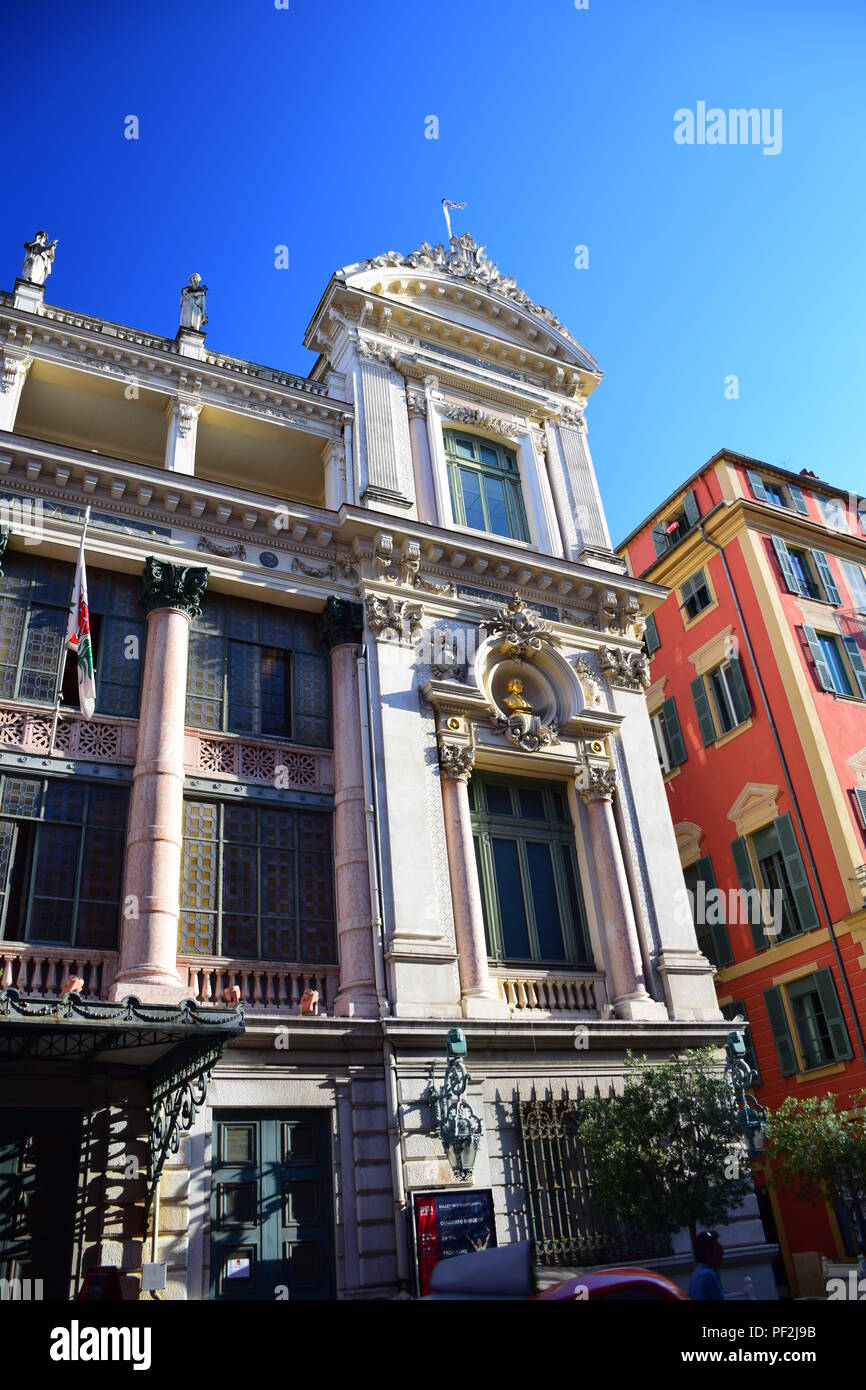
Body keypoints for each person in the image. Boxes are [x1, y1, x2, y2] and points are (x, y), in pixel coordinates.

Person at [689, 1229, 726, 1300]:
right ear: (707, 1252)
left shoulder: (696, 1274)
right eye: (718, 1249)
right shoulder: (708, 1275)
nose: (722, 1254)